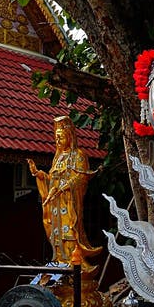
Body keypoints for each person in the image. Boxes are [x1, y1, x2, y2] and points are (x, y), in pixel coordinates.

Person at [28, 115, 102, 273]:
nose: (58, 141)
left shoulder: (78, 156)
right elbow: (51, 180)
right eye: (56, 138)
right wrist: (40, 175)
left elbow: (82, 178)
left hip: (69, 205)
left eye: (61, 137)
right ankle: (60, 260)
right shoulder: (58, 158)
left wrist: (67, 186)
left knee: (70, 233)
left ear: (69, 137)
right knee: (57, 235)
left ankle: (74, 262)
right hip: (56, 206)